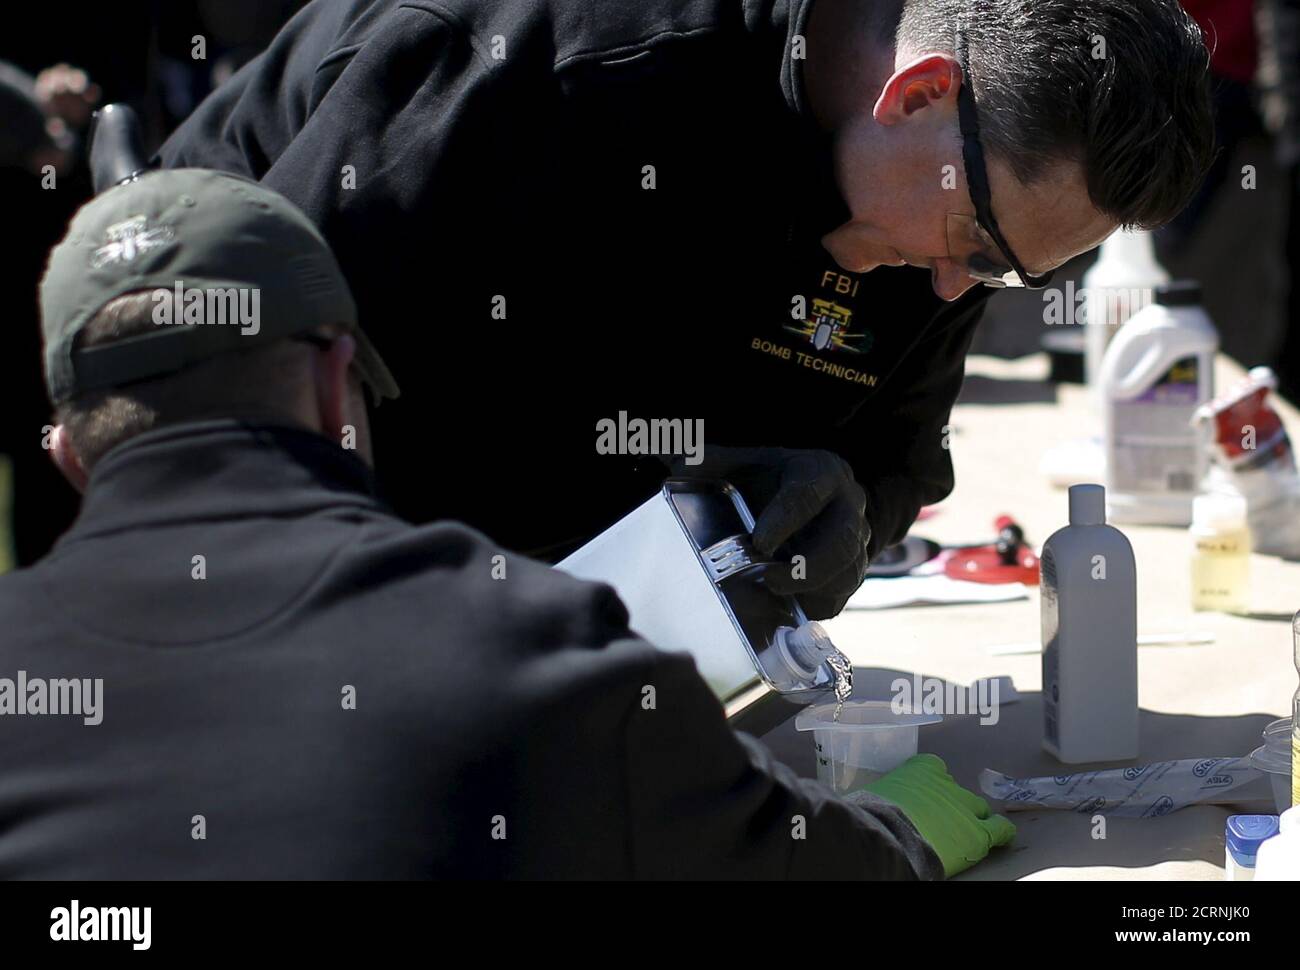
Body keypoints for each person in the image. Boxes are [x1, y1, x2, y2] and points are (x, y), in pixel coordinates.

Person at [0, 167, 1011, 879]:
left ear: (68, 457)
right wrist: (895, 834)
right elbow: (786, 863)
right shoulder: (541, 651)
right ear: (332, 385)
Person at [157, 0, 1216, 619]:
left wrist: (840, 512)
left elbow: (901, 458)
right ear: (921, 92)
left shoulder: (946, 206)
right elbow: (248, 395)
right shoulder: (550, 71)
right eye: (981, 251)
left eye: (1012, 278)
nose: (957, 292)